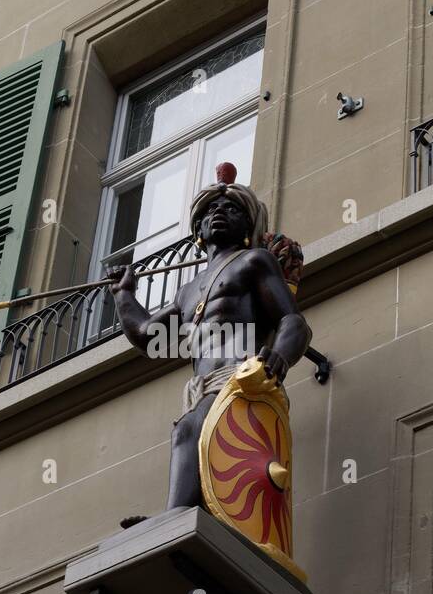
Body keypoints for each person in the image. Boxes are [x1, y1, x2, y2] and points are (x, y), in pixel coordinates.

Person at [108, 162, 311, 513]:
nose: (219, 213)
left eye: (231, 209)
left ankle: (176, 516)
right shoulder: (188, 291)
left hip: (241, 378)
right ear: (199, 229)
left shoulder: (254, 262)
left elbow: (294, 321)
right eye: (210, 210)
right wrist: (123, 294)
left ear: (247, 225)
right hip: (201, 387)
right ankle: (189, 513)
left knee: (189, 430)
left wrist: (280, 356)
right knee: (194, 435)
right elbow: (147, 335)